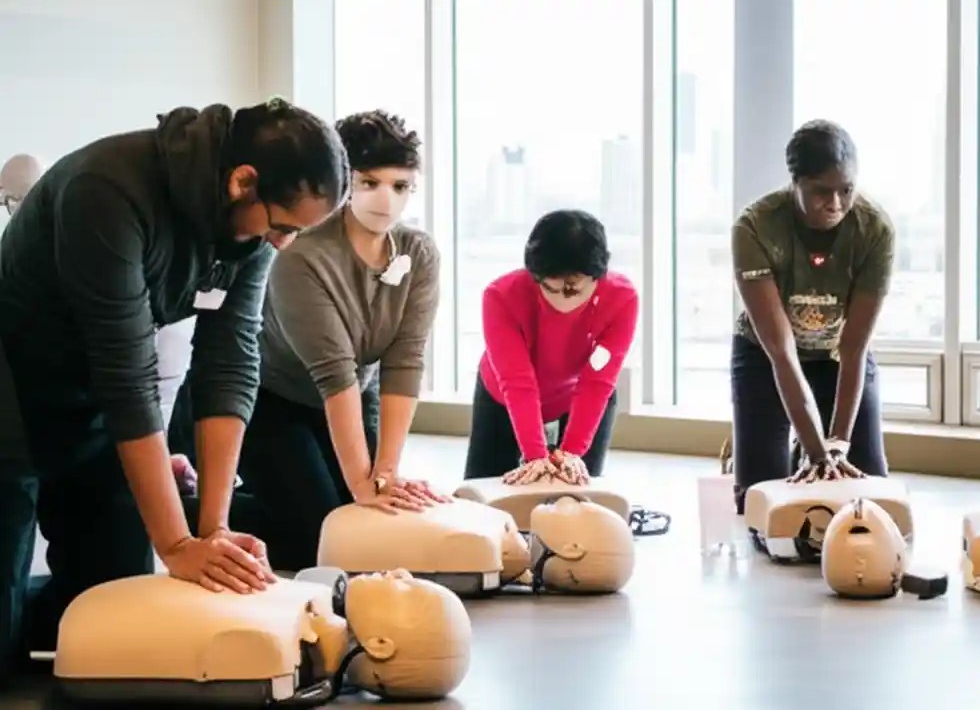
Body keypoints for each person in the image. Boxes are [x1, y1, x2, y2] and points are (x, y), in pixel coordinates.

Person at [0, 98, 348, 680]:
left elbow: (230, 362)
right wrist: (177, 543)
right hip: (12, 381)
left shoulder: (250, 233)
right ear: (243, 181)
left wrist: (211, 529)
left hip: (94, 397)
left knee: (116, 615)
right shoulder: (107, 188)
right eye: (285, 226)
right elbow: (126, 372)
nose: (285, 244)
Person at [236, 109, 447, 572]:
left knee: (365, 520)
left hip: (356, 395)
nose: (385, 200)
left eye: (401, 186)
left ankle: (277, 491)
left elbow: (405, 363)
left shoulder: (419, 252)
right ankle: (196, 510)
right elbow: (334, 374)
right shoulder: (301, 253)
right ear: (343, 180)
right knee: (322, 536)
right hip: (271, 399)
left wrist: (385, 475)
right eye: (369, 183)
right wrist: (362, 484)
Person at [728, 119, 895, 514]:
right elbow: (781, 352)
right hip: (766, 356)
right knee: (758, 501)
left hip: (838, 357)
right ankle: (793, 450)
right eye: (822, 191)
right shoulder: (754, 227)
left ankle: (811, 442)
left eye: (846, 190)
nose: (835, 203)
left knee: (867, 488)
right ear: (795, 182)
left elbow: (854, 349)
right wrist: (819, 455)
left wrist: (836, 444)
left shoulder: (875, 229)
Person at [463, 209, 639, 484]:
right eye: (550, 289)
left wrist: (571, 452)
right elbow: (517, 381)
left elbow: (598, 380)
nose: (562, 301)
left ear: (598, 275)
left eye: (573, 290)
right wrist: (535, 455)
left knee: (578, 495)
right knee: (486, 495)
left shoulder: (621, 298)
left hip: (583, 395)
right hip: (503, 395)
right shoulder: (500, 296)